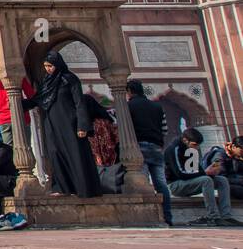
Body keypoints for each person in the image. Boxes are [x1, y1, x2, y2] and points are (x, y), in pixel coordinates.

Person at [23, 51, 101, 198]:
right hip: (51, 124)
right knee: (55, 153)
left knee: (75, 154)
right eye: (46, 66)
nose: (48, 69)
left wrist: (82, 125)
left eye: (50, 66)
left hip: (70, 123)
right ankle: (64, 187)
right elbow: (37, 100)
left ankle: (83, 188)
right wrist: (20, 104)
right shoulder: (47, 82)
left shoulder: (69, 79)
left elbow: (79, 103)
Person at [165, 128, 240, 226]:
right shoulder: (173, 149)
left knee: (222, 180)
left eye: (198, 145)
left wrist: (211, 171)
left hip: (191, 181)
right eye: (194, 145)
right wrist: (205, 173)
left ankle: (226, 216)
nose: (196, 148)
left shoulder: (192, 149)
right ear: (185, 140)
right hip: (175, 185)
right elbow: (180, 174)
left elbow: (197, 170)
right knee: (206, 180)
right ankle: (212, 216)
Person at [127, 80, 172, 225]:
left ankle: (148, 217)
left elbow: (125, 130)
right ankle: (167, 217)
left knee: (143, 183)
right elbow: (164, 130)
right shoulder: (157, 106)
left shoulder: (128, 106)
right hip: (156, 147)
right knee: (161, 184)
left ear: (129, 91)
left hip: (139, 147)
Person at [82, 94, 120, 167]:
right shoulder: (106, 120)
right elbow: (116, 138)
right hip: (112, 160)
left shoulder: (84, 125)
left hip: (92, 163)